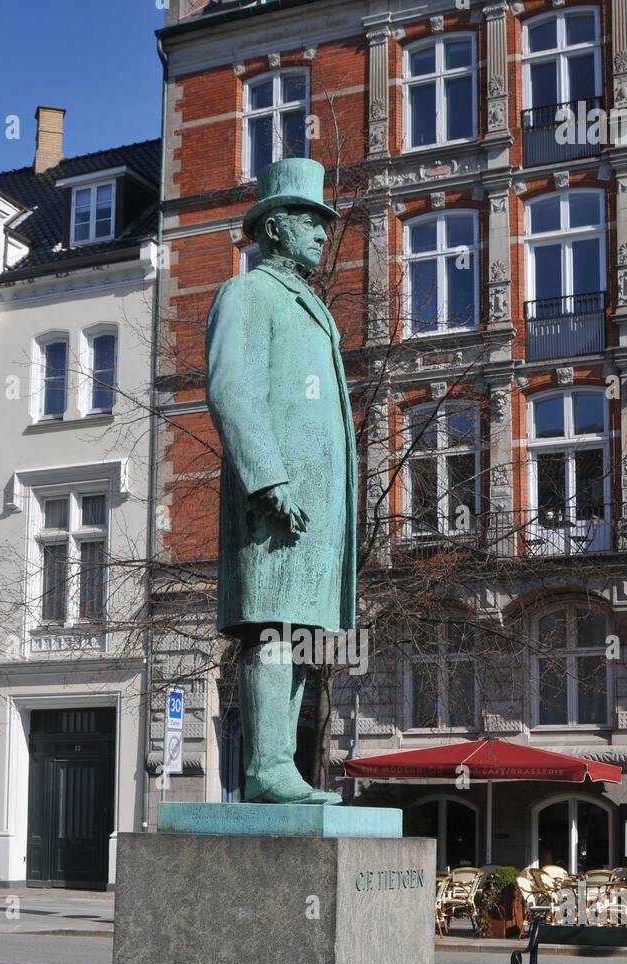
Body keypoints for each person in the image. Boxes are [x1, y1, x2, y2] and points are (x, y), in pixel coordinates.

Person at [206, 158, 356, 804]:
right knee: (268, 627)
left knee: (293, 632)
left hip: (314, 512)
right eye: (309, 220)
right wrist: (267, 480)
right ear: (273, 228)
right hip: (273, 506)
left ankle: (279, 765)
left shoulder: (312, 308)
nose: (323, 234)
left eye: (323, 222)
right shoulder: (246, 294)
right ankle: (267, 767)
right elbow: (231, 390)